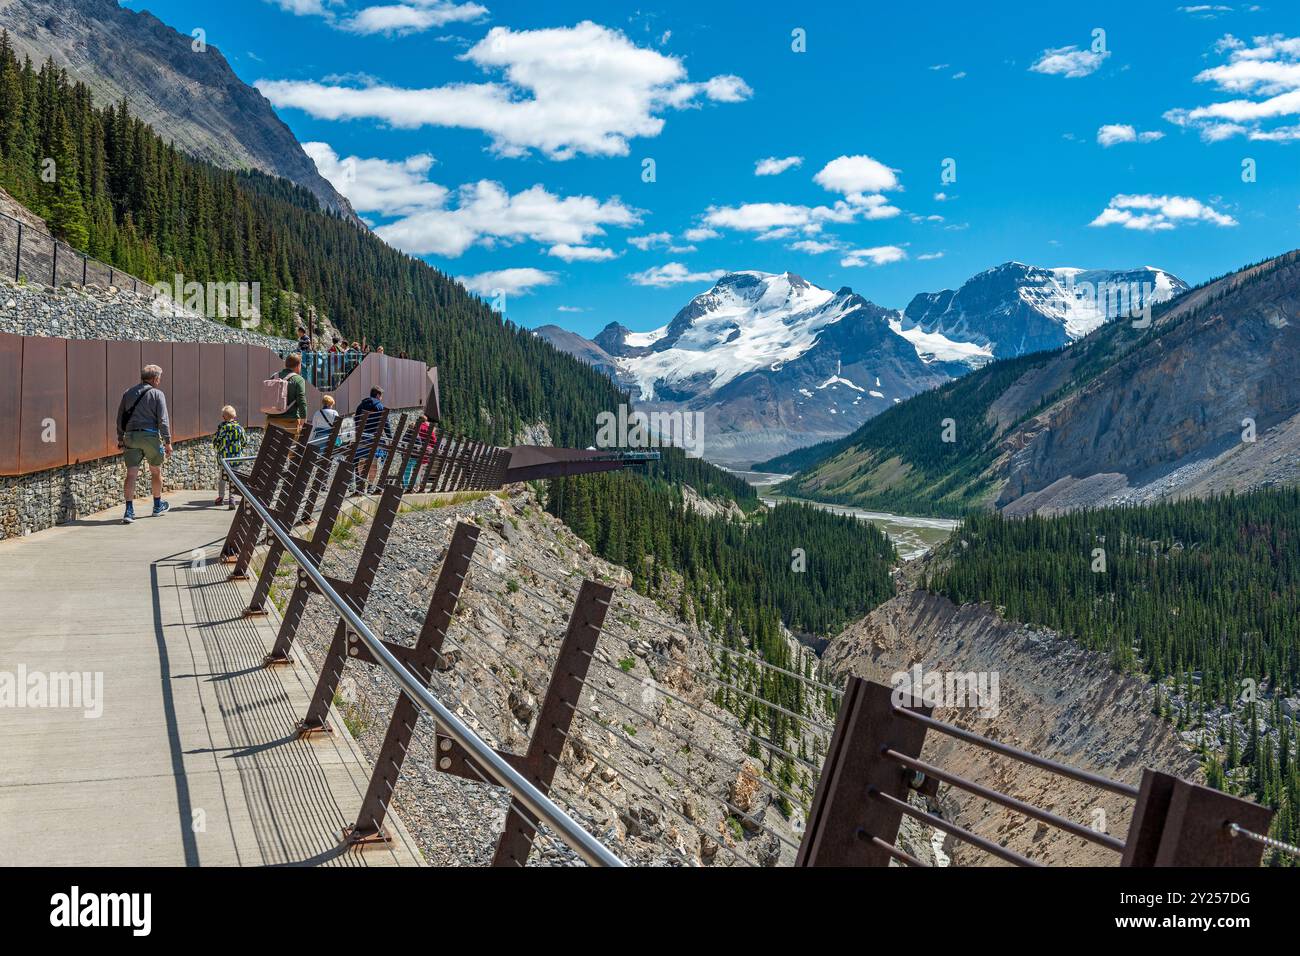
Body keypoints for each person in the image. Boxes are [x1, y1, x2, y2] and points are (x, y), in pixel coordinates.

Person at [116, 364, 172, 524]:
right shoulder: (157, 394)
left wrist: (120, 438)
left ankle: (128, 511)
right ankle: (157, 506)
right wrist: (167, 442)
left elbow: (120, 418)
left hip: (131, 436)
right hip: (150, 436)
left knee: (131, 474)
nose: (160, 381)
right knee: (155, 471)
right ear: (155, 379)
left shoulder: (128, 393)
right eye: (159, 378)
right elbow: (163, 420)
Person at [352, 386, 391, 493]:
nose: (381, 398)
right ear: (378, 395)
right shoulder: (379, 406)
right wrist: (390, 437)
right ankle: (370, 486)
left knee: (361, 461)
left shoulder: (360, 406)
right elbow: (386, 424)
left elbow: (355, 420)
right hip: (374, 438)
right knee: (373, 463)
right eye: (381, 396)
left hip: (361, 437)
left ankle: (360, 486)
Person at [212, 405, 249, 510]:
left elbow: (216, 441)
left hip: (224, 459)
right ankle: (232, 498)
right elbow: (244, 441)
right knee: (234, 479)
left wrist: (219, 447)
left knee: (222, 479)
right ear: (235, 416)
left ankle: (221, 497)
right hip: (236, 459)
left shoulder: (222, 428)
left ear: (223, 417)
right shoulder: (239, 428)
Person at [266, 352, 308, 441]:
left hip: (271, 421)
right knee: (288, 452)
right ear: (298, 365)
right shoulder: (298, 379)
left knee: (271, 452)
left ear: (286, 364)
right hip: (290, 422)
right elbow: (301, 400)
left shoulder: (274, 376)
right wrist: (303, 419)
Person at [401, 414, 436, 487]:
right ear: (425, 421)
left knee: (407, 470)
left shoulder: (414, 427)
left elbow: (404, 439)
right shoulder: (428, 428)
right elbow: (433, 441)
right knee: (418, 471)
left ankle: (406, 485)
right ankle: (416, 486)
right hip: (421, 453)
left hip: (408, 452)